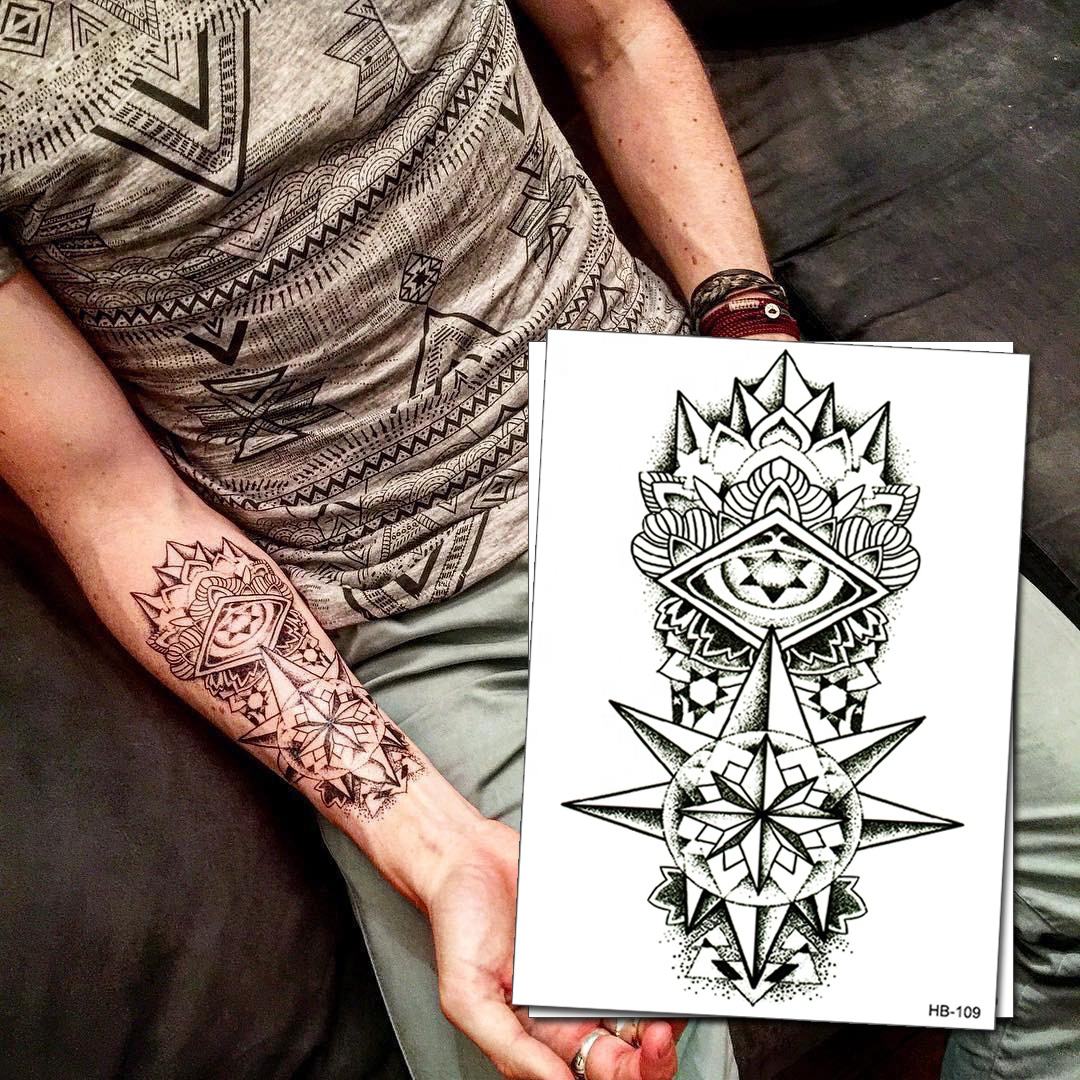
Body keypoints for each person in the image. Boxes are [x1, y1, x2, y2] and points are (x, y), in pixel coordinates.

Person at [0, 1, 799, 1077]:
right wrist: (434, 843)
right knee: (600, 1056)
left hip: (705, 454)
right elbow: (114, 500)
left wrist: (757, 352)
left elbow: (616, 36)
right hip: (414, 628)